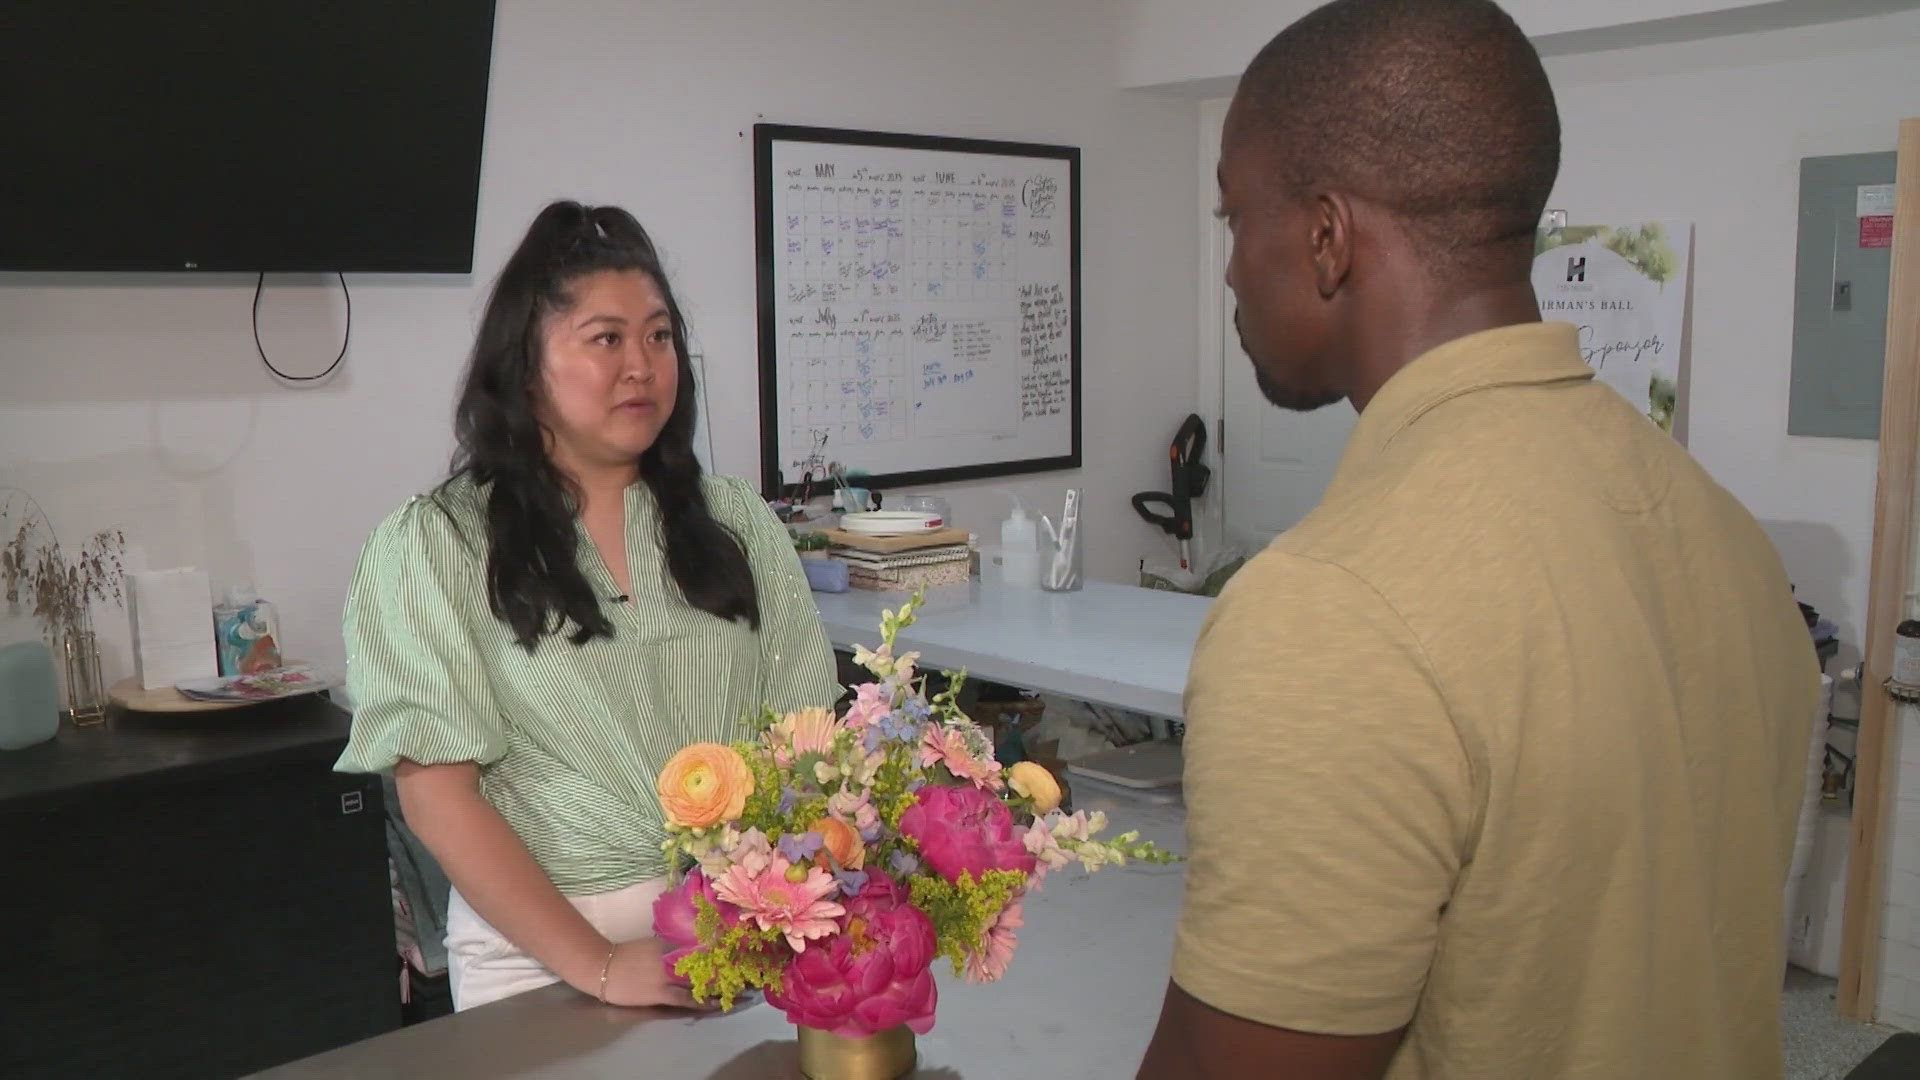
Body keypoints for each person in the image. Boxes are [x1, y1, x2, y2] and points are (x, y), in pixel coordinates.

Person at [1137, 2, 1819, 1077]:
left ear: (1325, 238)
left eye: (1234, 219)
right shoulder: (1717, 526)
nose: (1229, 269)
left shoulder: (1331, 609)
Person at [336, 202, 838, 1012]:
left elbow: (806, 740)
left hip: (737, 926)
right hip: (539, 952)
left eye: (659, 337)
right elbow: (436, 795)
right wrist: (600, 964)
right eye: (607, 339)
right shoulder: (437, 543)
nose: (641, 366)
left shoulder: (737, 522)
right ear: (527, 364)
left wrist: (776, 903)